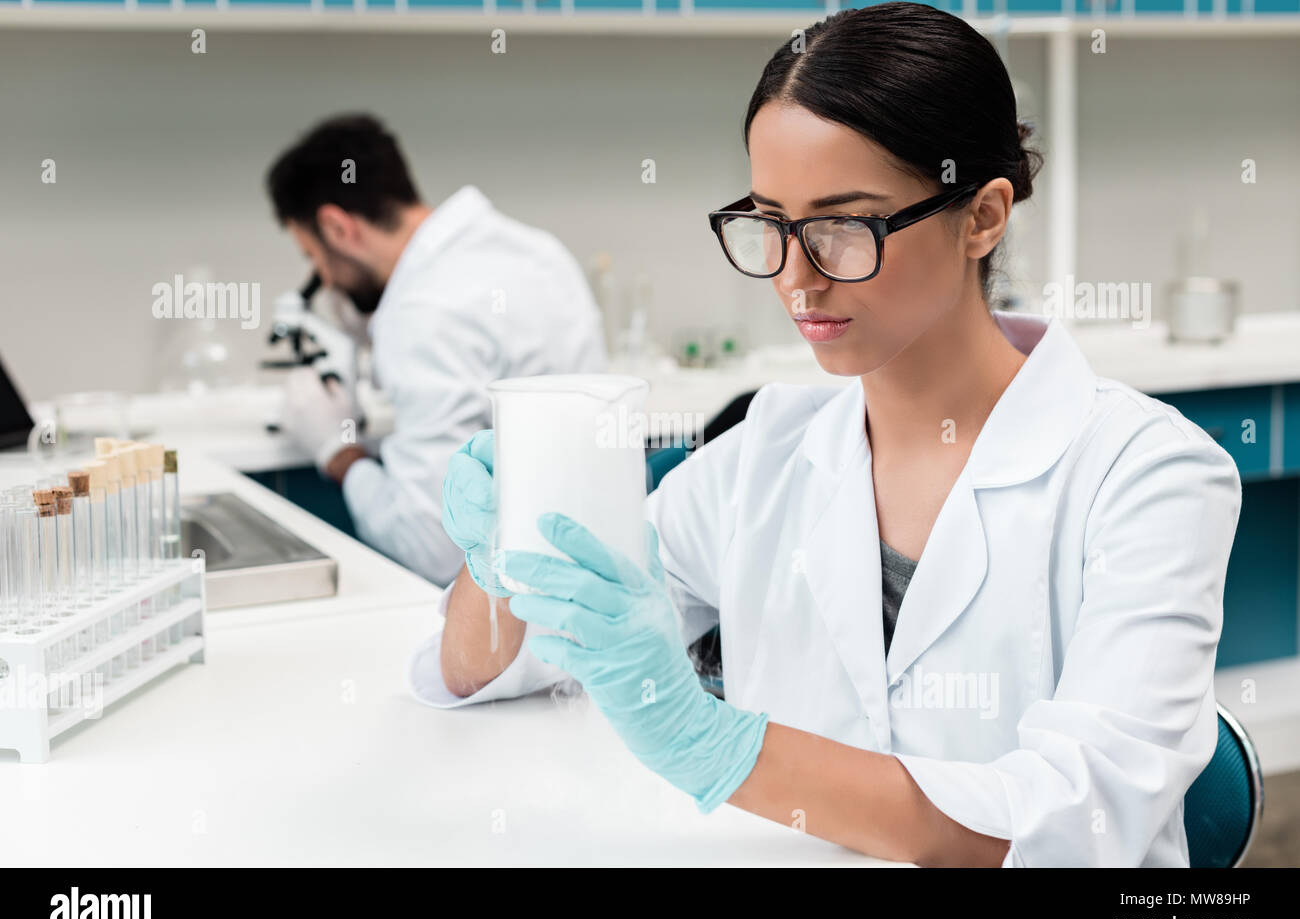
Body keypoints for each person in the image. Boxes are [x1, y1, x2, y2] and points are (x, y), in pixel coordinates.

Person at [414, 4, 1242, 866]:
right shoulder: (760, 455)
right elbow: (490, 669)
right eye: (771, 223)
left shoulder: (1149, 475)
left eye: (844, 225)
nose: (797, 276)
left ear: (984, 216)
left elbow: (1079, 819)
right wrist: (504, 557)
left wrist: (708, 740)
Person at [266, 114, 607, 586]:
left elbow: (434, 549)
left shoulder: (420, 312)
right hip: (589, 560)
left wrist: (338, 451)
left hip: (513, 602)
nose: (324, 280)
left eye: (313, 257)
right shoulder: (535, 250)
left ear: (337, 227)